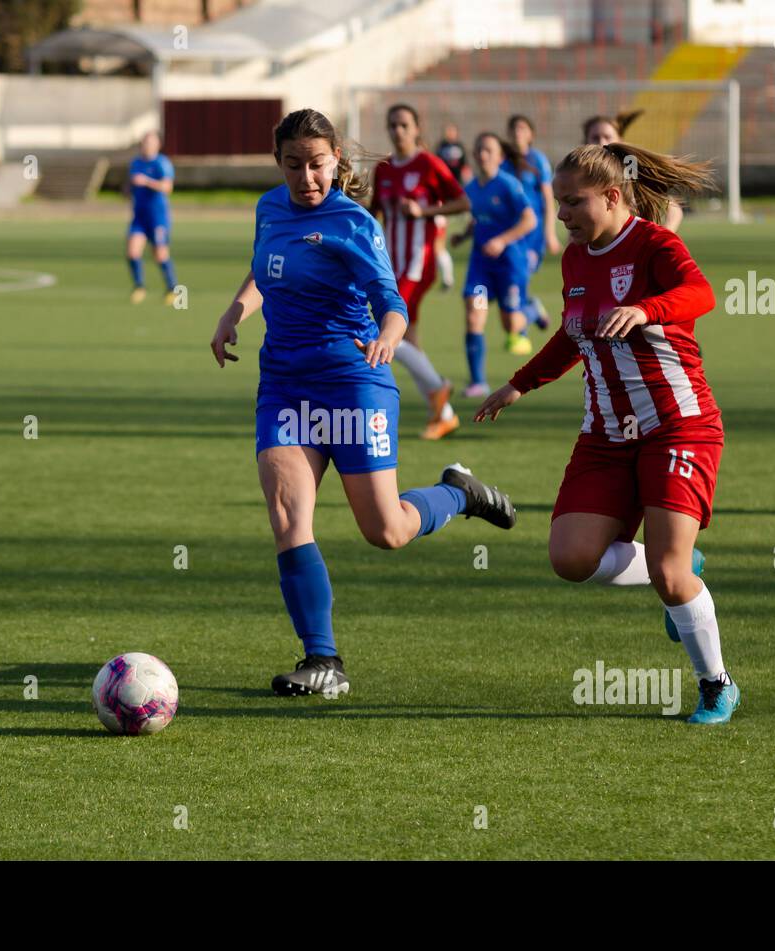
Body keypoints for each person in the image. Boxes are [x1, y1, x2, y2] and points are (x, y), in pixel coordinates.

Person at [209, 108, 517, 698]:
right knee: (286, 518)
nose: (306, 178)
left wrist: (390, 336)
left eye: (317, 165)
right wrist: (232, 314)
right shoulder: (269, 208)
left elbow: (389, 299)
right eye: (293, 165)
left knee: (386, 531)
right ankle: (323, 658)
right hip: (285, 384)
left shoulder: (353, 223)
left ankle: (458, 491)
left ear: (336, 164)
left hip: (354, 380)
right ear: (279, 163)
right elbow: (263, 269)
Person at [473, 142, 740, 725]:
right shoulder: (575, 259)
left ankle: (715, 683)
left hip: (678, 426)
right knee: (570, 559)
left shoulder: (655, 244)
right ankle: (684, 568)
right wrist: (520, 383)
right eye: (558, 203)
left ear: (613, 196)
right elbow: (574, 333)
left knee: (669, 576)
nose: (562, 215)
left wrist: (648, 310)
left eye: (573, 203)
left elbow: (702, 294)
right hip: (605, 434)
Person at [370, 103, 470, 440]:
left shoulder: (428, 163)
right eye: (392, 125)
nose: (397, 131)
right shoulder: (383, 169)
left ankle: (438, 387)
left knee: (386, 329)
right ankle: (442, 411)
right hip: (392, 262)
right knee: (407, 337)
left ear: (416, 128)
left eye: (403, 125)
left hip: (418, 261)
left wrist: (423, 211)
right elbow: (373, 216)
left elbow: (462, 202)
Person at [450, 132, 538, 398]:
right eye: (479, 149)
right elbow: (479, 218)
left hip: (509, 263)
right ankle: (477, 382)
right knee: (475, 314)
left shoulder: (509, 185)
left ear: (500, 157)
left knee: (511, 325)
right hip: (481, 267)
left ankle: (531, 310)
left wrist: (501, 241)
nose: (482, 154)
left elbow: (529, 221)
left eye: (488, 149)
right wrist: (463, 235)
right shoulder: (472, 187)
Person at [584, 112, 685, 232]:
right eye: (595, 138)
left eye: (607, 137)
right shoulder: (579, 173)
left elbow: (672, 206)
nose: (602, 142)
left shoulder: (629, 166)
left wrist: (666, 233)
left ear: (619, 140)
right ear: (586, 142)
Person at [505, 115, 560, 332]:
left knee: (520, 276)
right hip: (511, 233)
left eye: (522, 128)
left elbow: (547, 198)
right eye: (514, 128)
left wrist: (550, 234)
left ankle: (522, 326)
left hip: (533, 235)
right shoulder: (504, 163)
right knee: (513, 280)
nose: (517, 132)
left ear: (531, 134)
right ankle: (530, 312)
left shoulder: (537, 160)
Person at [125, 131, 177, 304]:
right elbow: (131, 186)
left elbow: (167, 187)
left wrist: (146, 181)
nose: (146, 145)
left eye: (150, 142)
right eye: (144, 141)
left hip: (158, 217)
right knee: (132, 252)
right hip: (139, 217)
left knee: (160, 255)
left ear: (157, 144)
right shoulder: (136, 162)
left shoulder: (162, 163)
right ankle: (139, 287)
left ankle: (172, 289)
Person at [433, 122, 472, 291]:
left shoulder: (460, 146)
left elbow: (464, 165)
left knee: (437, 245)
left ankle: (447, 279)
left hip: (444, 199)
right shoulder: (440, 148)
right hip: (440, 200)